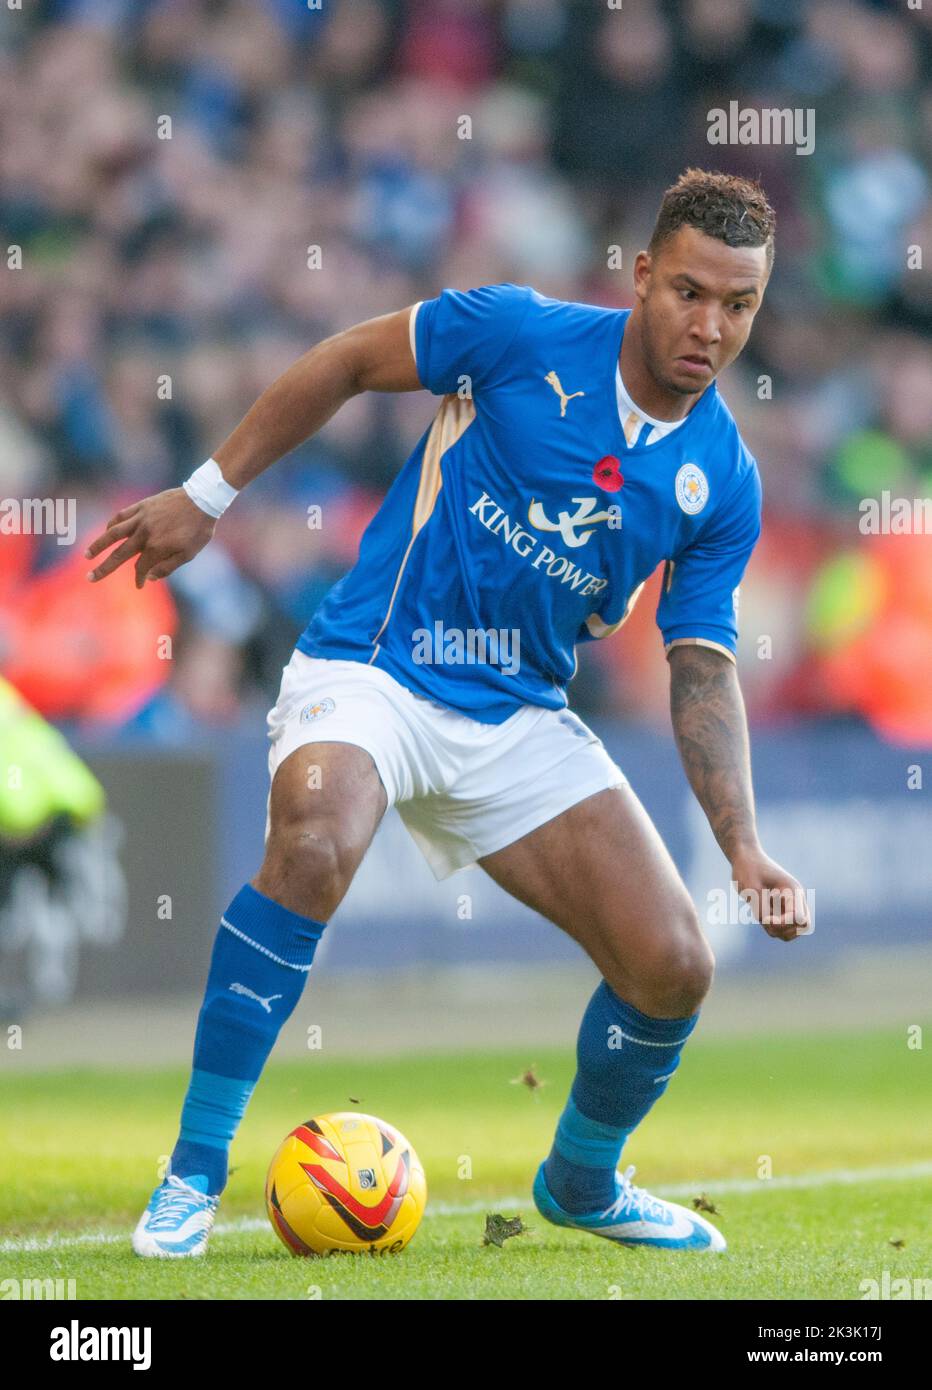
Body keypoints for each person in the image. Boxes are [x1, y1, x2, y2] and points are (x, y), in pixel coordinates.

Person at [86, 168, 809, 1259]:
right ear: (644, 274)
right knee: (317, 842)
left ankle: (580, 1178)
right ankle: (190, 1172)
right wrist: (207, 494)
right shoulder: (514, 330)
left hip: (516, 711)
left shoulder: (723, 478)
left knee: (673, 963)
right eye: (690, 292)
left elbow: (700, 668)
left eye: (739, 304)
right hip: (373, 663)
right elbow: (342, 362)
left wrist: (742, 846)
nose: (710, 325)